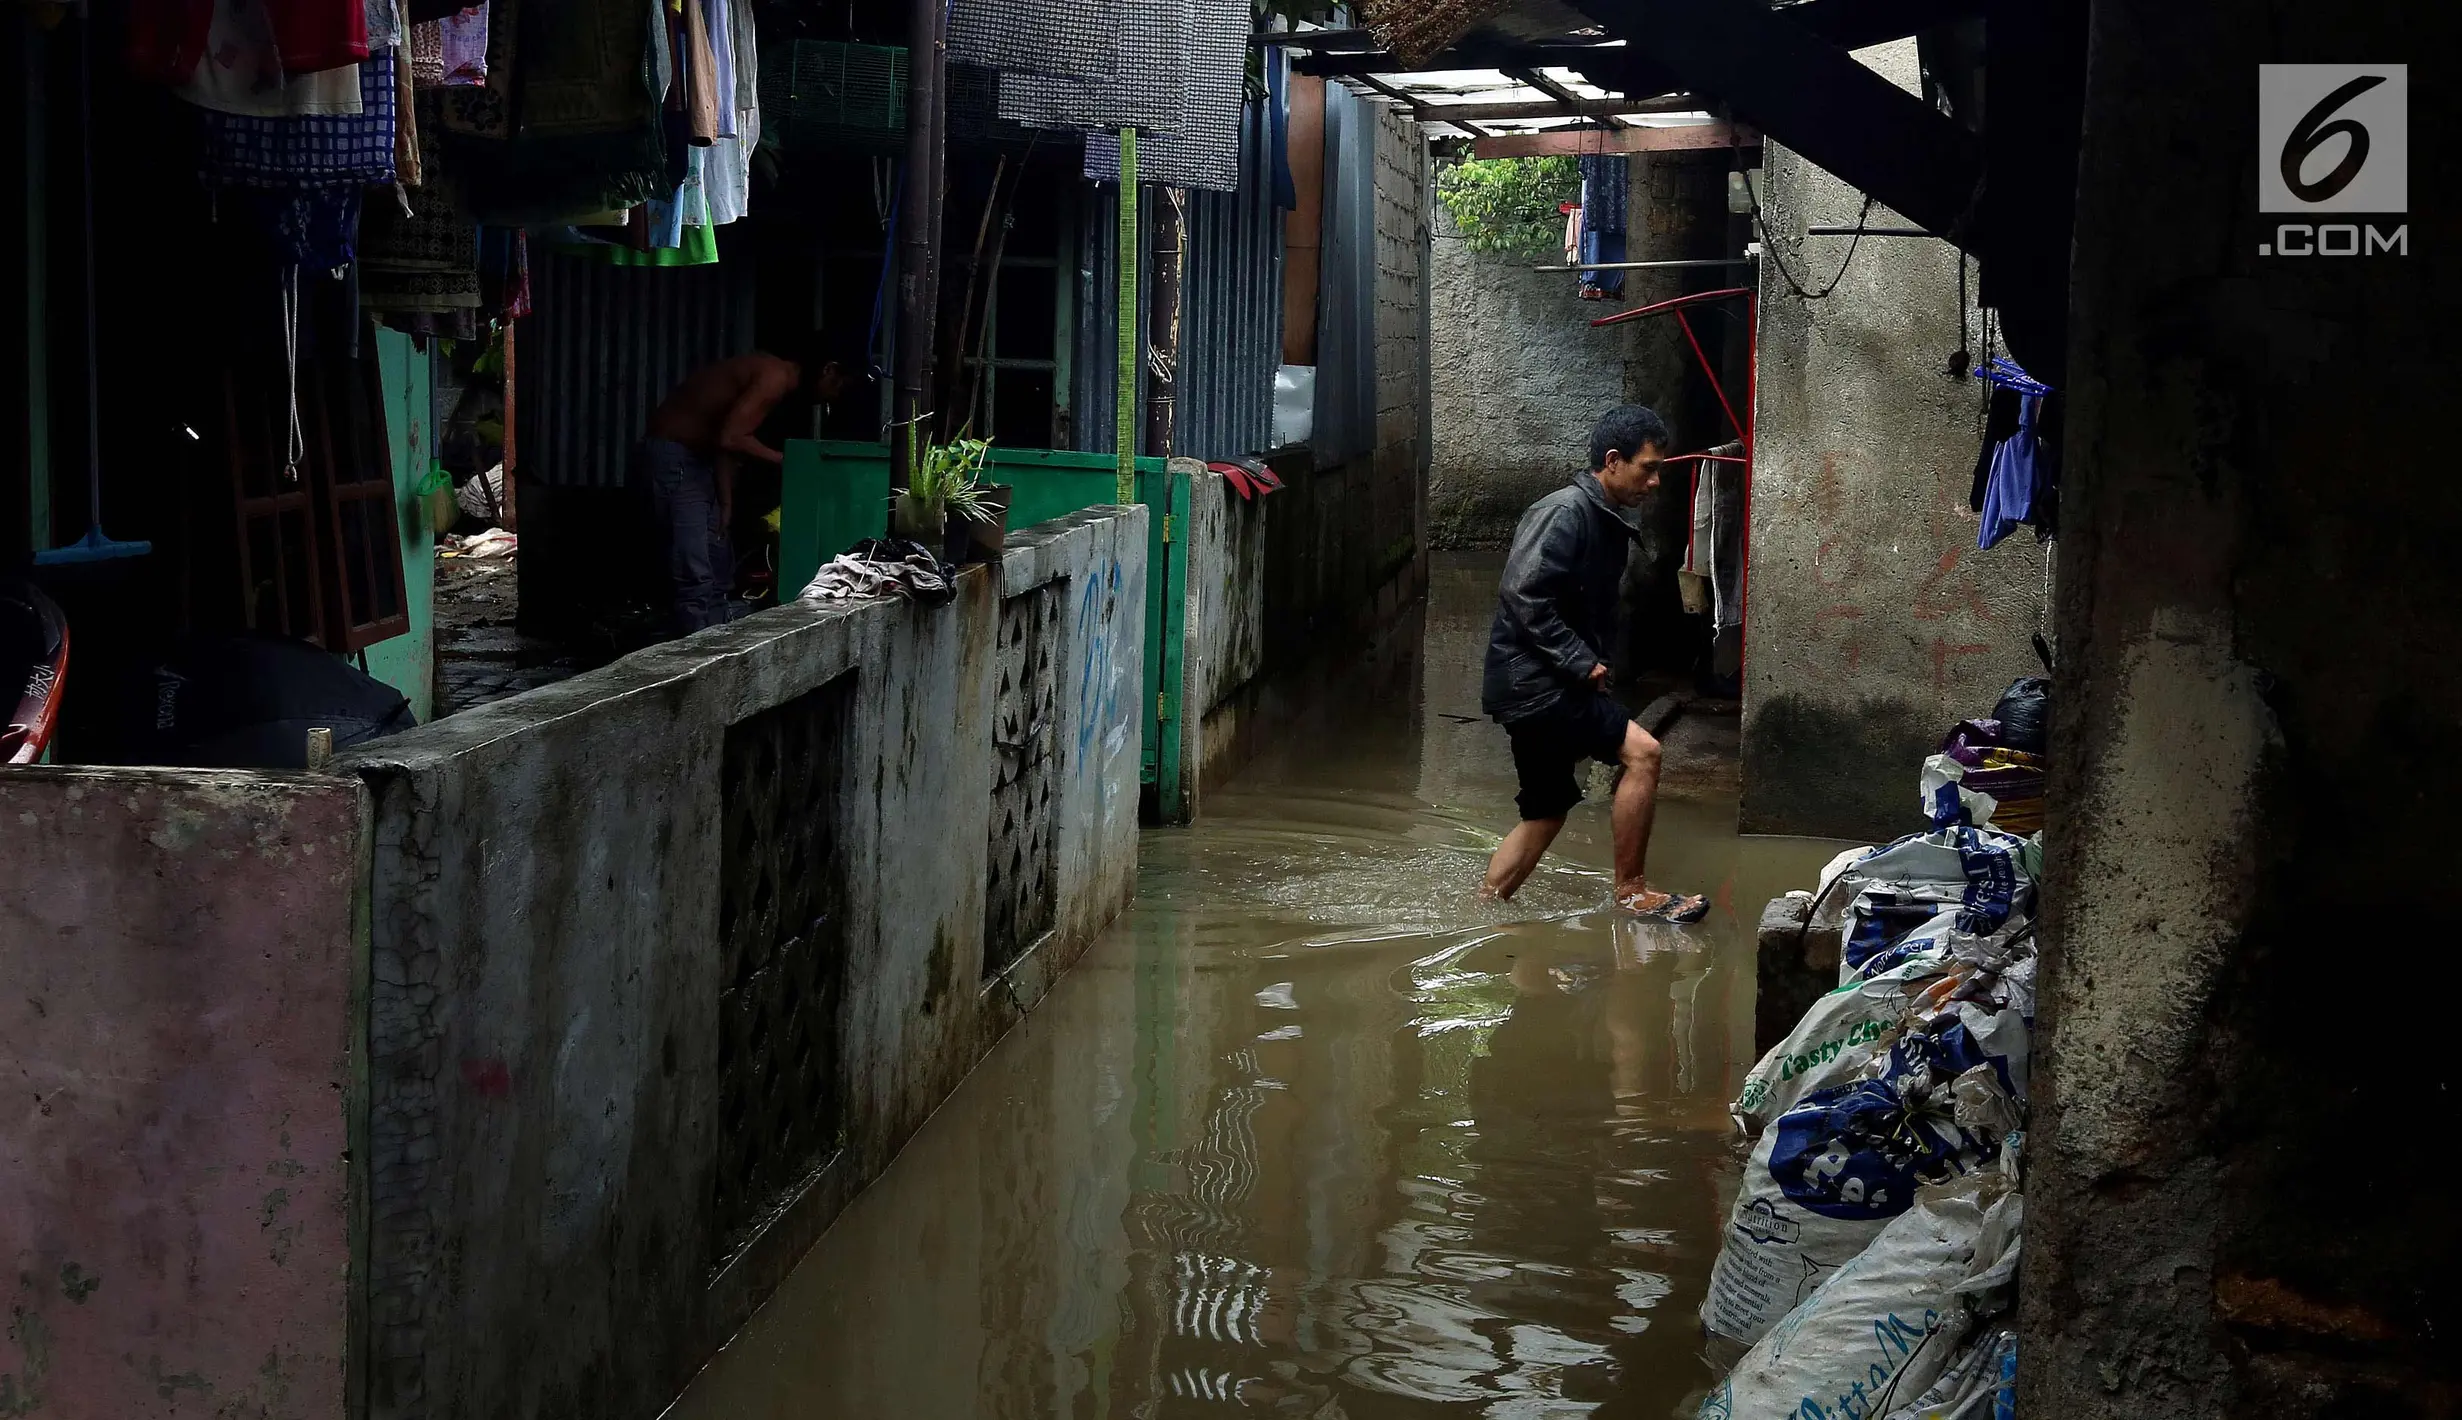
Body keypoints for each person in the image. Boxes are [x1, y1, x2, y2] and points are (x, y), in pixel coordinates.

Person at [1479, 404, 1709, 922]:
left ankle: (1483, 911)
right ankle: (1632, 892)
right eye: (1647, 468)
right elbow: (1523, 592)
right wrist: (1579, 661)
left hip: (1534, 685)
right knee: (1643, 754)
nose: (1655, 482)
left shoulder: (1596, 513)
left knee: (1546, 811)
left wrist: (1587, 665)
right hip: (1540, 685)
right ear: (1612, 461)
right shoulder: (1564, 512)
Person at [639, 333, 865, 634]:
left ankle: (716, 638)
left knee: (718, 559)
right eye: (838, 386)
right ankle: (692, 652)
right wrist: (786, 460)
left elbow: (725, 442)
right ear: (828, 370)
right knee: (694, 568)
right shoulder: (773, 378)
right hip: (676, 455)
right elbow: (731, 437)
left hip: (700, 460)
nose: (833, 397)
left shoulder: (773, 381)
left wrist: (726, 501)